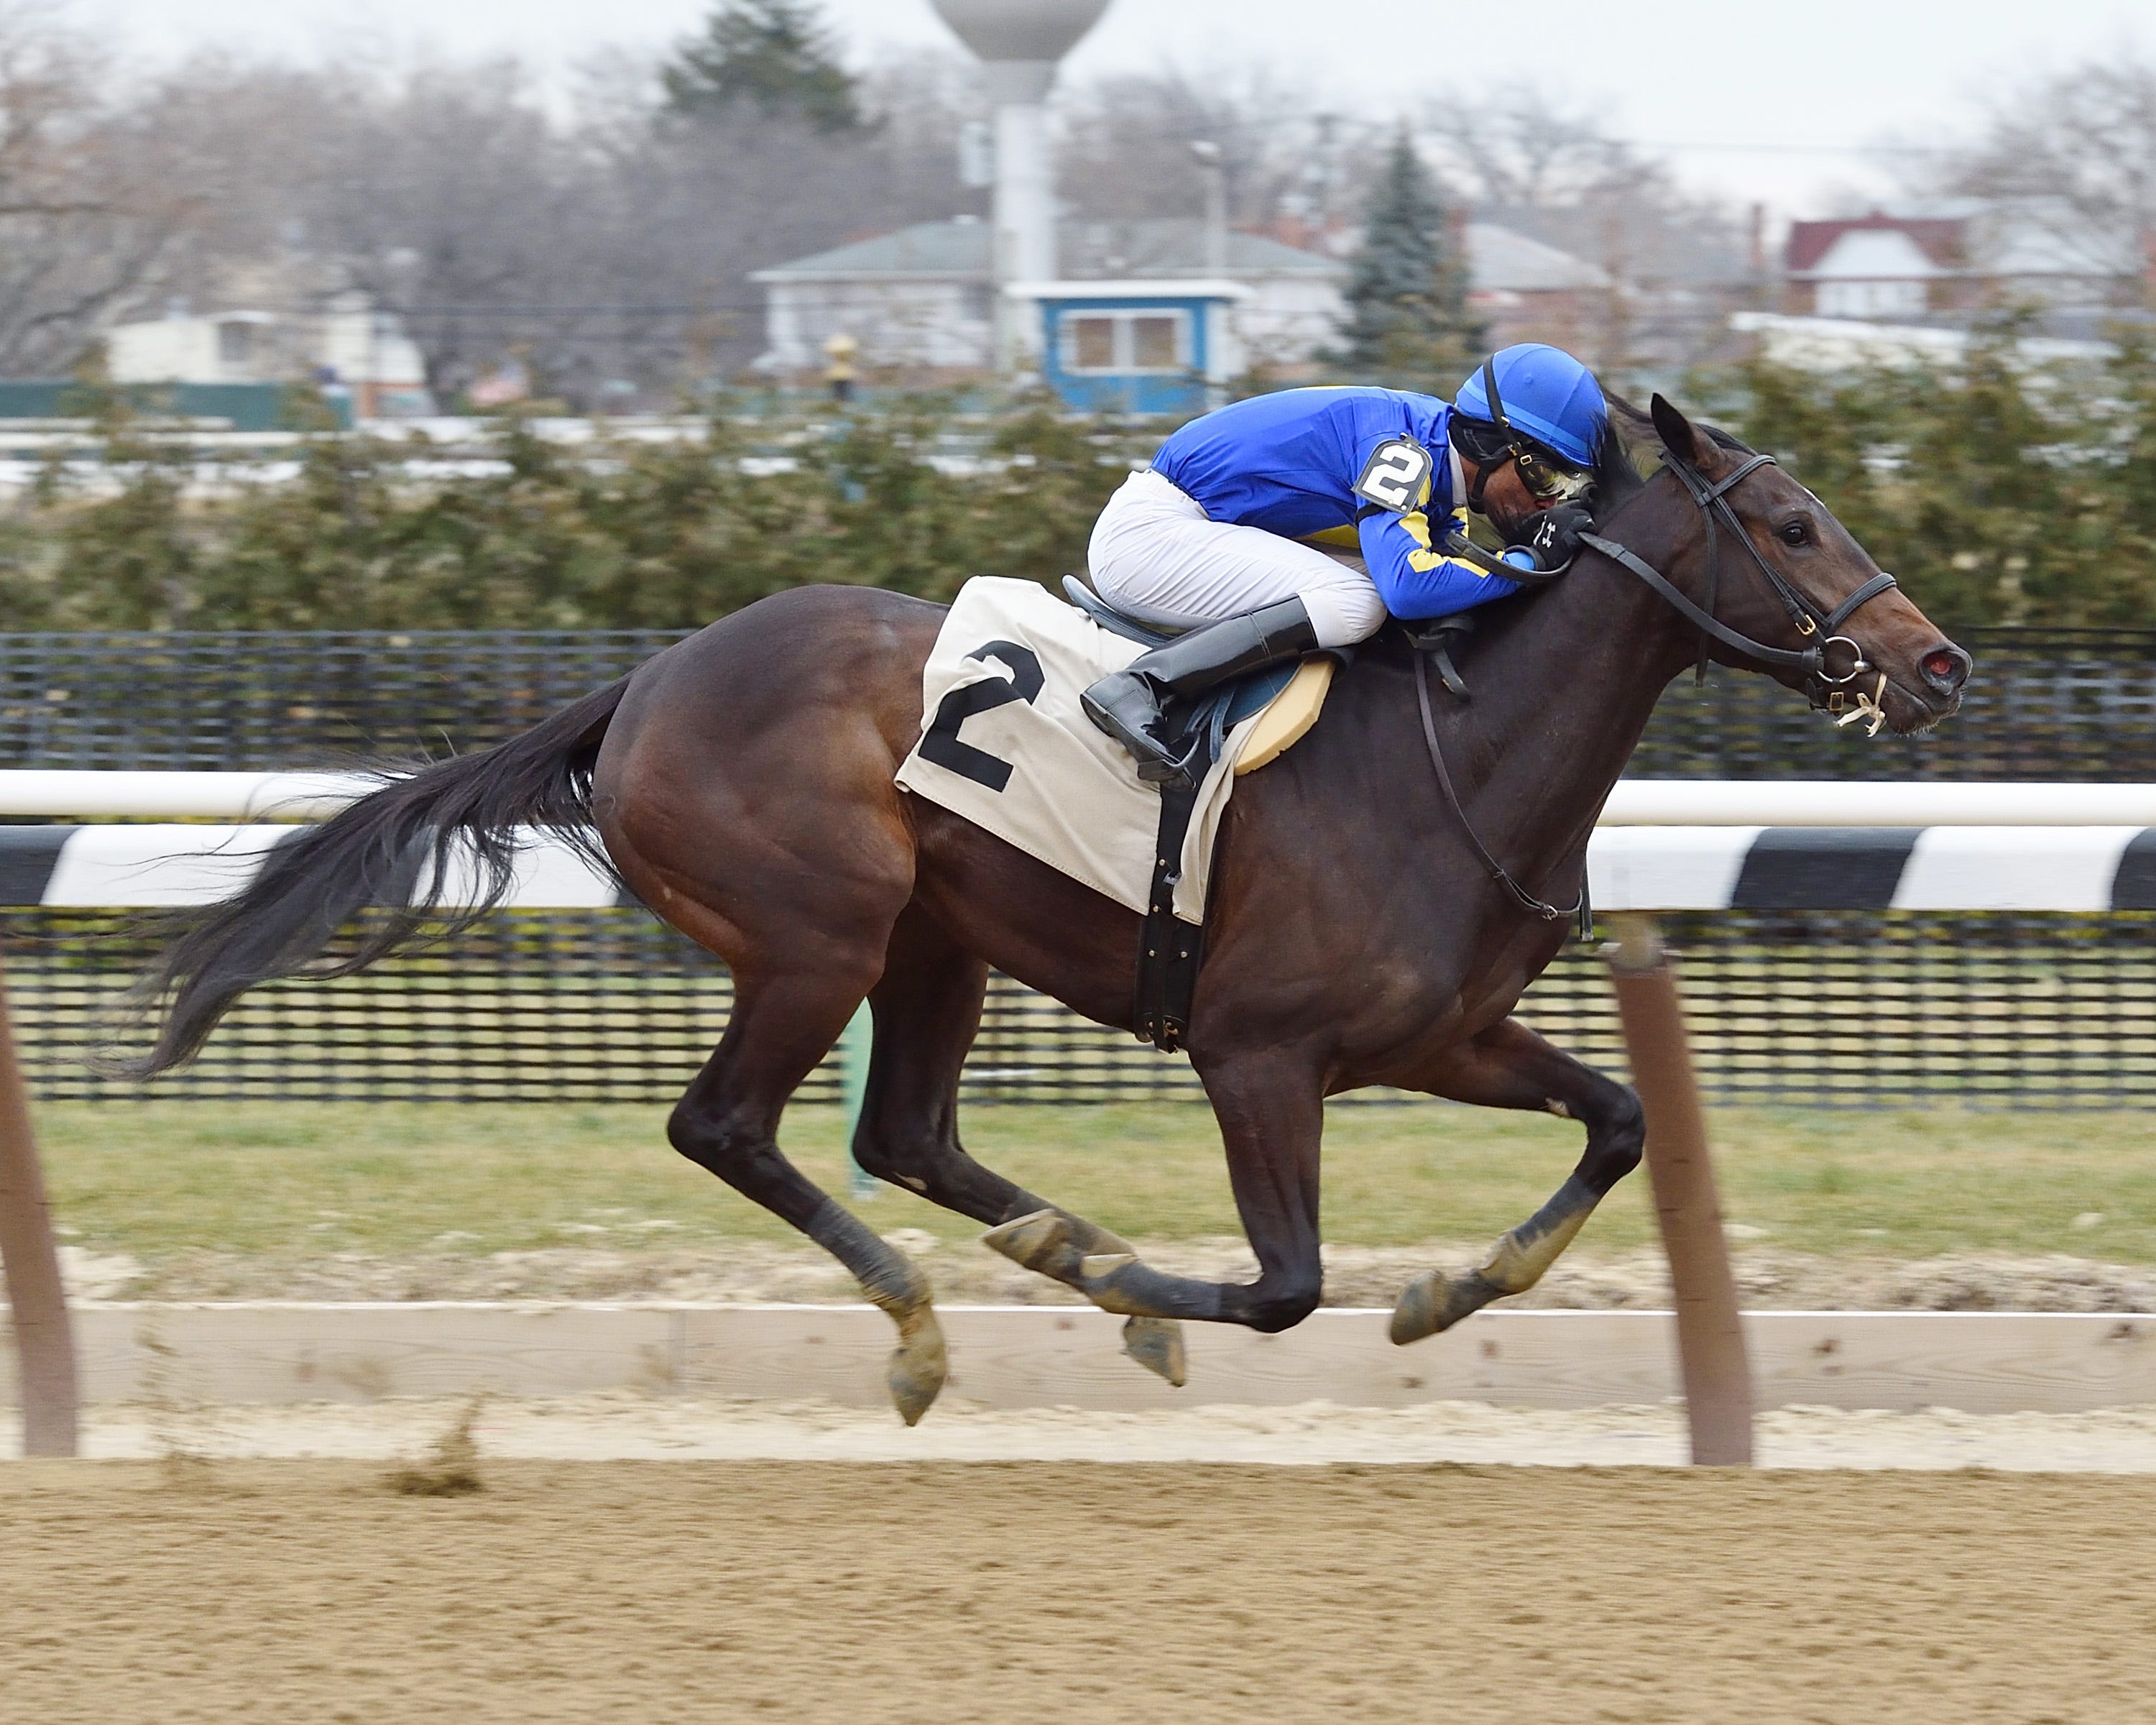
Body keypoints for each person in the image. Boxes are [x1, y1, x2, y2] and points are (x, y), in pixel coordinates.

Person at [1080, 342, 1608, 783]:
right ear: (1500, 448)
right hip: (1149, 538)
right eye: (1545, 478)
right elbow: (1409, 587)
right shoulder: (1402, 450)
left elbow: (1447, 587)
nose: (1548, 503)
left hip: (1194, 529)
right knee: (1360, 599)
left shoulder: (1437, 479)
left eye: (1566, 489)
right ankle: (1143, 687)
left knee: (1375, 595)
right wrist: (1526, 560)